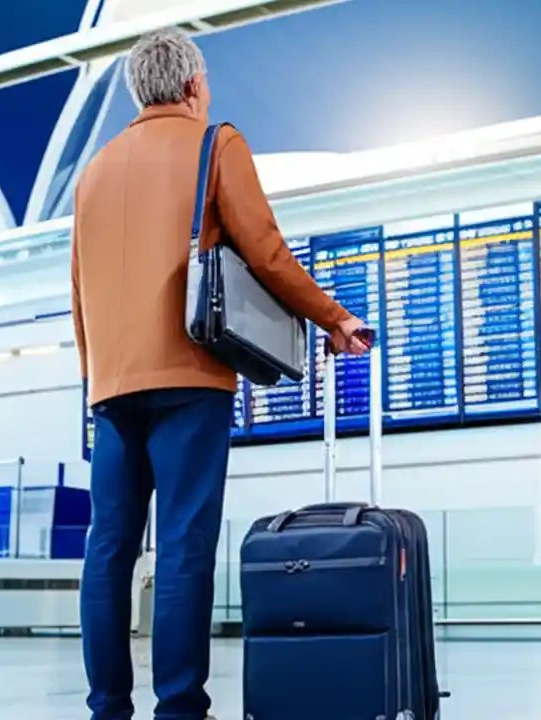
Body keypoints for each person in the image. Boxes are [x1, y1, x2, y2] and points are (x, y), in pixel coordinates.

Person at [70, 27, 369, 720]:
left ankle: (106, 707)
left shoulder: (94, 172)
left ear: (139, 91)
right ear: (195, 86)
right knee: (182, 545)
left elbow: (78, 290)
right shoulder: (215, 143)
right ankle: (179, 708)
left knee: (108, 550)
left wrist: (97, 380)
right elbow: (263, 250)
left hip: (111, 387)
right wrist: (331, 317)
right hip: (189, 376)